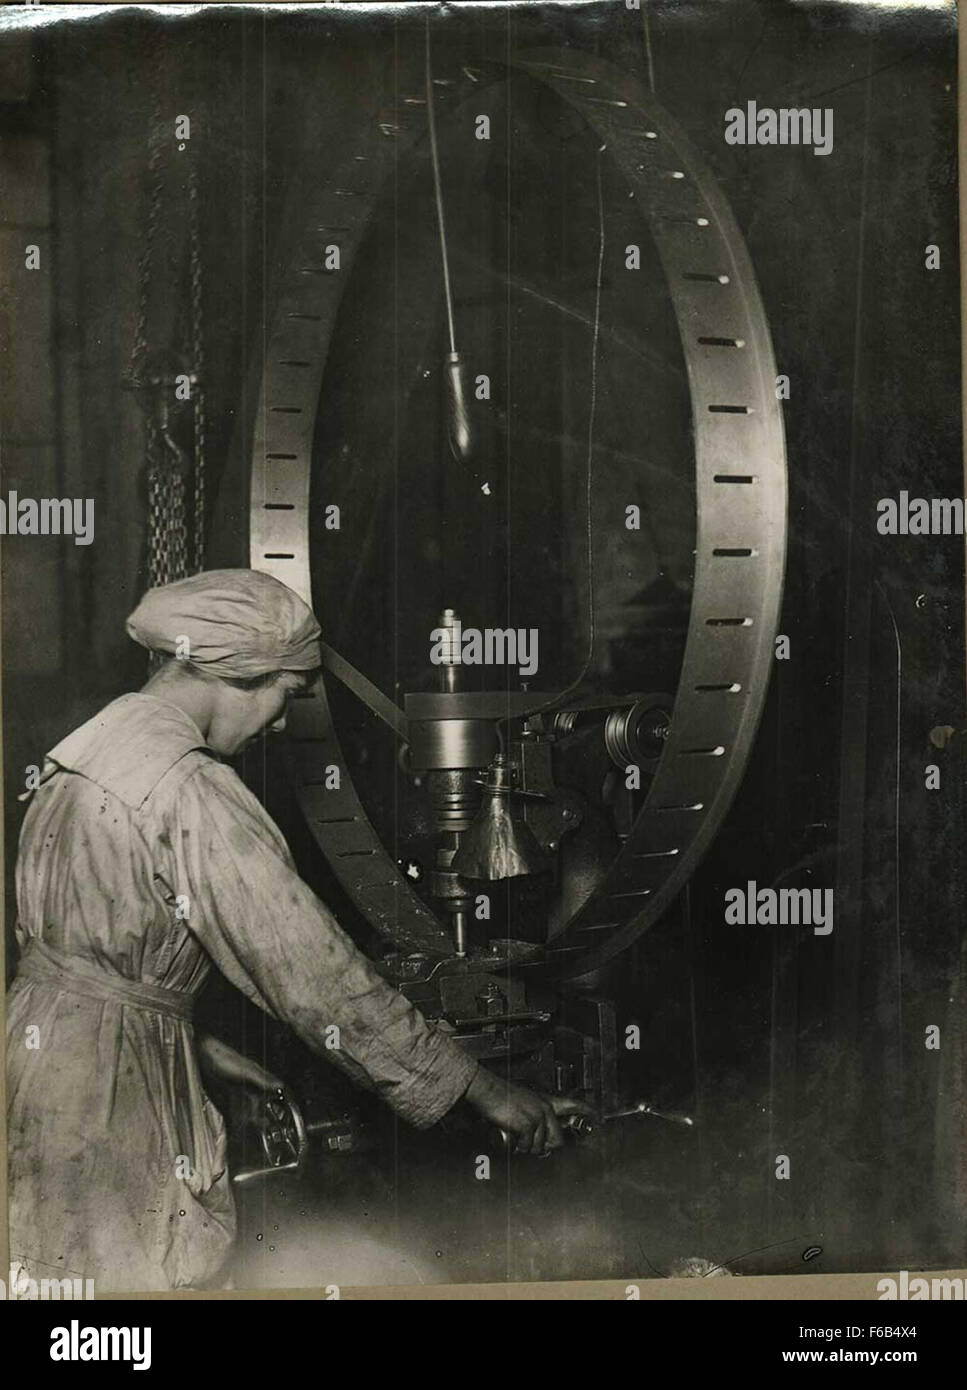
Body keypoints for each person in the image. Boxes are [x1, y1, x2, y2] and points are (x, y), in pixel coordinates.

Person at [6, 569, 582, 1292]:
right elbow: (316, 979)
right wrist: (481, 1088)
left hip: (37, 1061)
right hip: (105, 1097)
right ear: (240, 673)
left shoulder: (84, 751)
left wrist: (193, 1043)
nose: (280, 721)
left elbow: (86, 954)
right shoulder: (191, 790)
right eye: (286, 692)